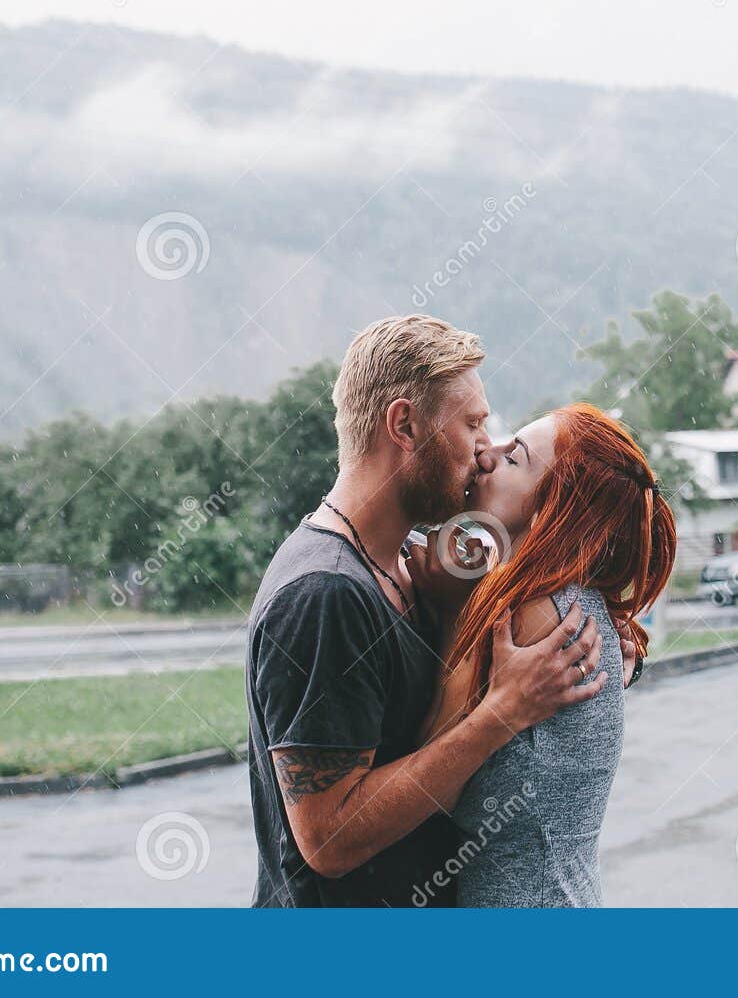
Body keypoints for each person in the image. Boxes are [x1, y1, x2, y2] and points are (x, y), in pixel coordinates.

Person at [244, 315, 630, 907]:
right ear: (404, 424)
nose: (485, 449)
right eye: (473, 423)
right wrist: (500, 715)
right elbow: (329, 840)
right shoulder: (324, 594)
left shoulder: (405, 569)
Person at [421, 402, 676, 906]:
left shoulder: (527, 614)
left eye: (514, 458)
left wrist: (450, 613)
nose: (487, 455)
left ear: (548, 510)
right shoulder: (575, 600)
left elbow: (431, 789)